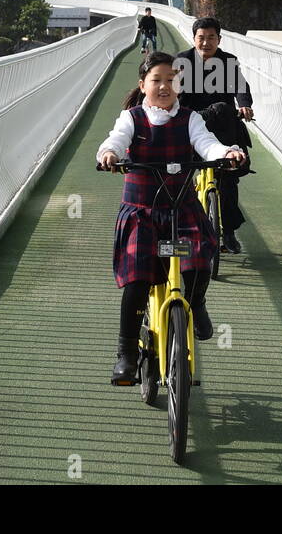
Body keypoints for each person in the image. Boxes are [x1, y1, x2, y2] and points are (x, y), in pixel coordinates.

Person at [97, 51, 247, 384]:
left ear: (179, 85)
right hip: (141, 213)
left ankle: (196, 302)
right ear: (143, 84)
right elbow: (116, 141)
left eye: (171, 80)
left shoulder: (190, 118)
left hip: (182, 210)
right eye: (157, 80)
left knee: (198, 265)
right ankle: (126, 353)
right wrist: (109, 154)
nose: (164, 86)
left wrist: (227, 152)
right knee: (137, 280)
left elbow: (207, 144)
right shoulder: (132, 118)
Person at [173, 17, 253, 254]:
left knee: (228, 181)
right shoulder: (182, 61)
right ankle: (183, 232)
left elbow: (240, 86)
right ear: (194, 38)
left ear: (219, 39)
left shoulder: (228, 61)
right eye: (201, 37)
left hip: (224, 123)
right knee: (179, 177)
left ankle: (228, 233)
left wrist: (244, 105)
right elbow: (172, 89)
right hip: (191, 124)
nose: (206, 42)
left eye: (211, 38)